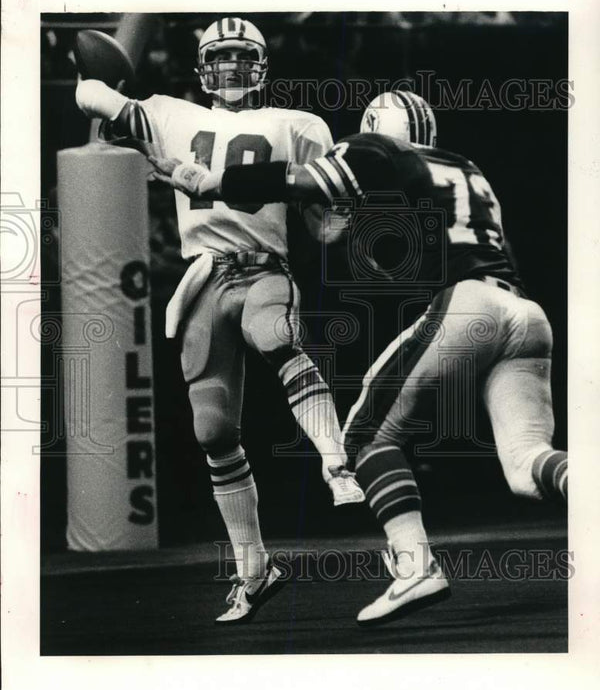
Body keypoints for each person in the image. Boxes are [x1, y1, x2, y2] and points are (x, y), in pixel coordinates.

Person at [149, 89, 568, 627]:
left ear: (374, 128)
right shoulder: (467, 165)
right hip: (525, 313)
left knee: (367, 435)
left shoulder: (377, 152)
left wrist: (213, 181)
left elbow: (300, 180)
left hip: (470, 306)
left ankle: (415, 565)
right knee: (527, 466)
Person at [75, 16, 364, 625]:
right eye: (219, 57)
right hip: (205, 278)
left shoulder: (298, 124)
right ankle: (254, 569)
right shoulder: (170, 114)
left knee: (275, 334)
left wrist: (325, 220)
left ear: (261, 63)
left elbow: (331, 207)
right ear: (202, 64)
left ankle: (336, 460)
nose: (230, 68)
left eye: (241, 56)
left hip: (262, 270)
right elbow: (92, 96)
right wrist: (103, 65)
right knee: (210, 431)